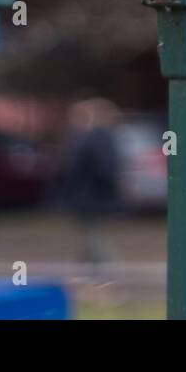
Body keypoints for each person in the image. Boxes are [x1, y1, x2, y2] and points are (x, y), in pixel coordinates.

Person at [53, 98, 121, 277]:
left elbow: (104, 169)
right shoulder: (85, 137)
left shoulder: (97, 138)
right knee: (89, 236)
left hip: (92, 198)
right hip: (87, 197)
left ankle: (102, 276)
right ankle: (89, 274)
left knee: (93, 237)